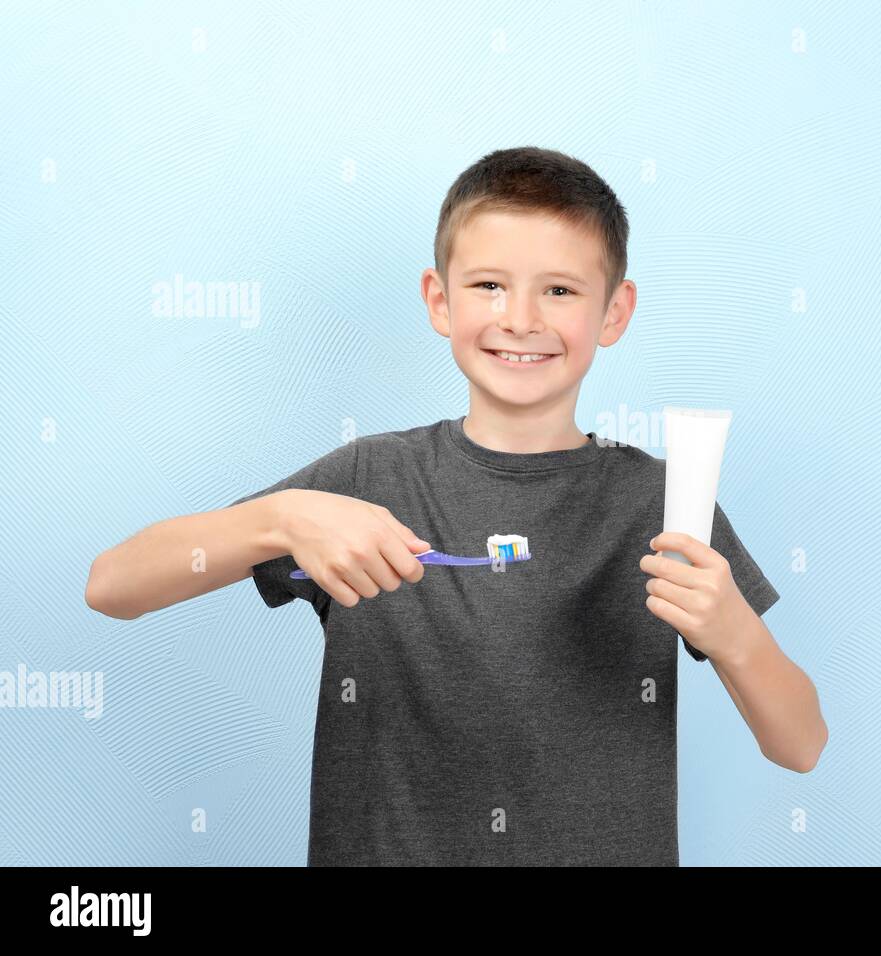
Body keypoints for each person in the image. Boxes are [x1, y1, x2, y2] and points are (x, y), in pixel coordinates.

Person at [85, 146, 828, 865]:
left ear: (614, 312)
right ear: (439, 301)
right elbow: (112, 586)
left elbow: (801, 745)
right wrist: (280, 519)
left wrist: (735, 634)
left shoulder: (660, 505)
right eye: (489, 286)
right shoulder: (365, 478)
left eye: (561, 290)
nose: (522, 319)